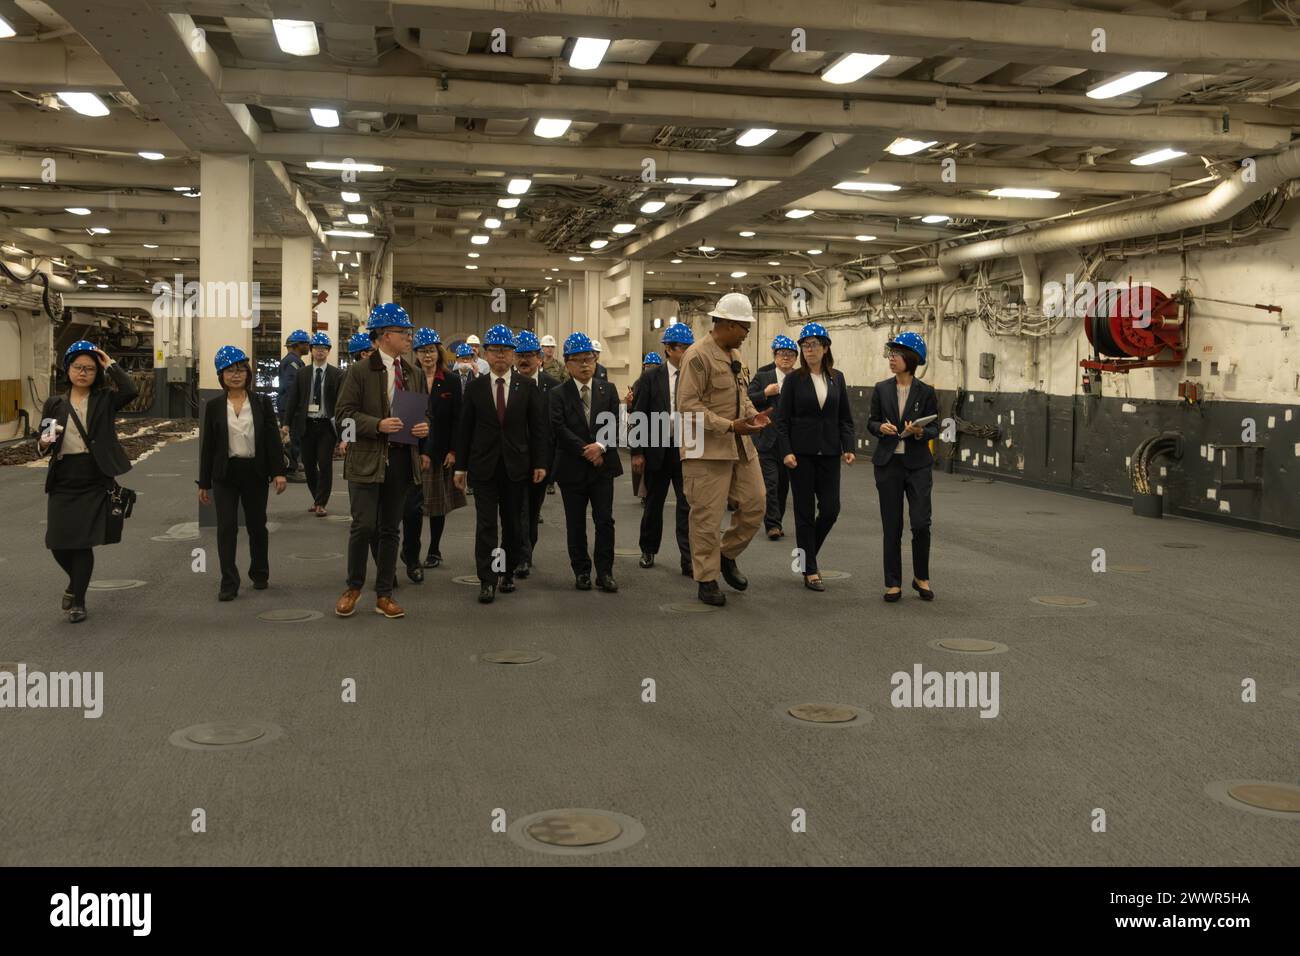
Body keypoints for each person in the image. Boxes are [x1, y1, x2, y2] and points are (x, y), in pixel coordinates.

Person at [333, 303, 429, 619]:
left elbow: (422, 414)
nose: (409, 338)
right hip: (366, 461)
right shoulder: (359, 371)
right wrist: (376, 425)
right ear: (386, 335)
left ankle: (384, 594)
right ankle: (353, 588)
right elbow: (343, 417)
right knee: (362, 526)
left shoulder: (413, 373)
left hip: (401, 460)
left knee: (390, 529)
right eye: (404, 332)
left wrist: (423, 427)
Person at [676, 292, 770, 607]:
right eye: (744, 327)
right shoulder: (697, 355)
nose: (747, 334)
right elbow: (687, 405)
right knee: (706, 518)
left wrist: (752, 414)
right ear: (727, 324)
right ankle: (707, 579)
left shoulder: (735, 357)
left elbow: (741, 397)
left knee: (756, 505)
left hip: (741, 445)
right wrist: (729, 426)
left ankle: (726, 555)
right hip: (705, 450)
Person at [36, 341, 137, 623]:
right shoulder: (54, 403)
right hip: (63, 477)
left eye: (90, 369)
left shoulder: (105, 399)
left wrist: (110, 363)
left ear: (97, 372)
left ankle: (78, 601)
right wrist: (44, 443)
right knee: (57, 543)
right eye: (78, 367)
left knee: (82, 544)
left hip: (94, 476)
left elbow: (131, 390)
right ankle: (74, 582)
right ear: (67, 369)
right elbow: (42, 442)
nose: (83, 373)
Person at [454, 324, 549, 604]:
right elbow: (464, 430)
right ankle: (487, 579)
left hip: (516, 467)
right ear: (485, 353)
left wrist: (540, 463)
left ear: (512, 354)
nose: (500, 356)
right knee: (486, 525)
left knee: (512, 525)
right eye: (494, 350)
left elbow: (539, 428)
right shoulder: (475, 388)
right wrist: (460, 467)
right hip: (483, 467)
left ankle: (506, 571)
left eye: (506, 350)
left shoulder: (527, 386)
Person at [197, 346, 288, 600]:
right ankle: (228, 580)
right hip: (225, 474)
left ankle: (260, 572)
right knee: (226, 528)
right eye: (229, 371)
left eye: (240, 370)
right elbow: (208, 447)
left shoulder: (260, 402)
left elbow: (272, 439)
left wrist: (278, 472)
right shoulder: (214, 406)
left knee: (257, 526)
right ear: (221, 375)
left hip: (255, 473)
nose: (236, 375)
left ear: (248, 373)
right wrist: (204, 482)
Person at [776, 324, 855, 592]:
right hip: (800, 455)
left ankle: (806, 555)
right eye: (805, 345)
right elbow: (782, 421)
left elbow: (844, 417)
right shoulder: (793, 381)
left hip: (830, 453)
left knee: (831, 510)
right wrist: (786, 450)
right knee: (804, 513)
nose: (809, 350)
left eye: (813, 345)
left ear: (825, 347)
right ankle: (810, 569)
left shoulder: (837, 378)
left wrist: (848, 446)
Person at [867, 331, 940, 602]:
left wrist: (920, 432)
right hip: (888, 464)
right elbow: (871, 421)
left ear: (911, 358)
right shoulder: (881, 388)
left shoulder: (926, 392)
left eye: (896, 354)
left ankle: (921, 577)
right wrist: (880, 427)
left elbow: (934, 426)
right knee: (892, 525)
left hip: (918, 464)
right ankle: (893, 582)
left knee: (921, 523)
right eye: (890, 354)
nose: (891, 359)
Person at [549, 333, 622, 592]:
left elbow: (615, 422)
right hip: (572, 467)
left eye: (589, 359)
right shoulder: (558, 393)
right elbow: (558, 427)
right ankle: (581, 570)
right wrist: (585, 449)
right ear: (567, 364)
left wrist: (600, 446)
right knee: (576, 522)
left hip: (603, 466)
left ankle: (605, 572)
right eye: (578, 360)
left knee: (605, 521)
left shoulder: (608, 389)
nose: (584, 365)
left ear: (595, 360)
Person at [630, 325, 694, 576]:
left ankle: (688, 558)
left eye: (690, 347)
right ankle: (648, 549)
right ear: (668, 349)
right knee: (654, 504)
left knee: (687, 505)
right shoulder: (650, 378)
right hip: (658, 449)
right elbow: (638, 415)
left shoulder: (696, 375)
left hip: (686, 450)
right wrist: (637, 452)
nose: (688, 352)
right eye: (683, 347)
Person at [405, 326, 466, 573]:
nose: (427, 356)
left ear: (439, 352)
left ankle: (434, 549)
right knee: (414, 506)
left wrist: (454, 451)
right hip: (415, 451)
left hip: (442, 451)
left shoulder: (450, 380)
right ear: (416, 354)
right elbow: (407, 415)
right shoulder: (409, 378)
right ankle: (412, 551)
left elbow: (458, 419)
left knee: (439, 505)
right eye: (422, 351)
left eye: (431, 351)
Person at [281, 331, 345, 516]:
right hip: (306, 425)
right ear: (311, 350)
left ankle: (321, 503)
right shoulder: (302, 373)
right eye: (317, 348)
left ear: (329, 351)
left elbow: (343, 404)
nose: (320, 352)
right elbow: (293, 400)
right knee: (308, 465)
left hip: (326, 426)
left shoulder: (337, 374)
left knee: (325, 464)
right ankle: (316, 497)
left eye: (324, 349)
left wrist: (345, 435)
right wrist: (286, 424)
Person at [512, 330, 559, 578]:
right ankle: (522, 556)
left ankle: (527, 547)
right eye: (519, 355)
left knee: (532, 510)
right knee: (517, 508)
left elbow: (556, 427)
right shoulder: (507, 383)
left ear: (539, 357)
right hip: (512, 460)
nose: (524, 360)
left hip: (542, 461)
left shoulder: (553, 387)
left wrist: (551, 464)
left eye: (529, 355)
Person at [748, 334, 798, 540]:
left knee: (783, 485)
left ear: (795, 357)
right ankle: (772, 524)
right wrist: (765, 394)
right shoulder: (763, 377)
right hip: (767, 440)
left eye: (790, 354)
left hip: (791, 443)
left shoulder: (799, 377)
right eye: (781, 354)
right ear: (774, 356)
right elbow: (747, 399)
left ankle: (776, 519)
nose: (786, 358)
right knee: (770, 483)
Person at [278, 329, 310, 481]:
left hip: (292, 406)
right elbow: (292, 387)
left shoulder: (296, 361)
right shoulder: (292, 362)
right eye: (306, 344)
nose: (308, 347)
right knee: (292, 437)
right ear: (298, 345)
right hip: (291, 407)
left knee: (295, 436)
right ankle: (291, 469)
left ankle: (295, 463)